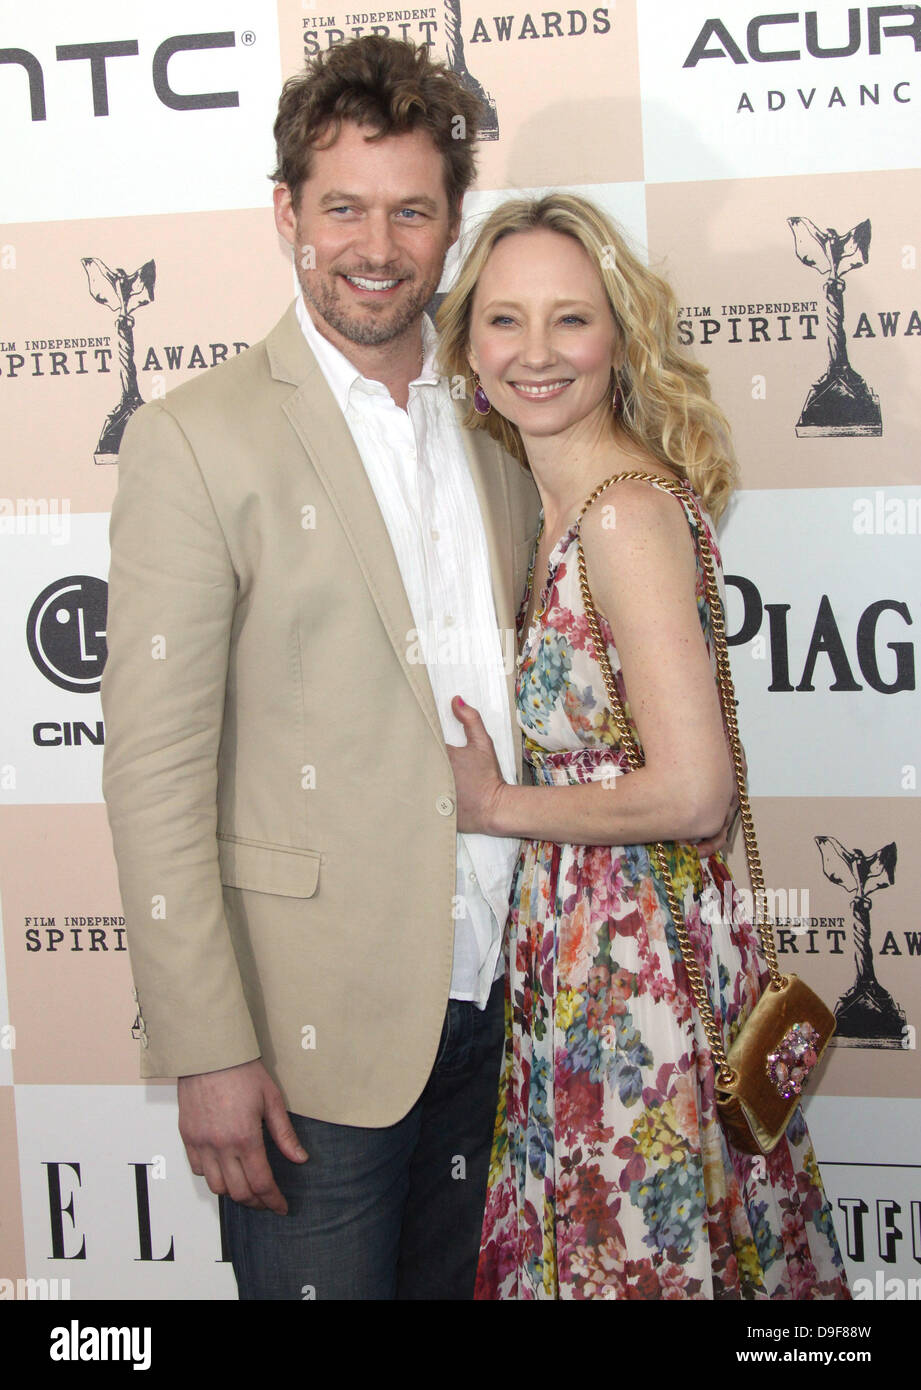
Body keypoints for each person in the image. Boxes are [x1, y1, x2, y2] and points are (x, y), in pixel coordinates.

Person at [100, 37, 540, 1301]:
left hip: (502, 1016)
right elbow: (156, 770)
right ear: (286, 214)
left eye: (412, 210)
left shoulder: (505, 423)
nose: (376, 246)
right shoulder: (199, 438)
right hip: (307, 1057)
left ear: (453, 225)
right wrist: (208, 1048)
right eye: (342, 207)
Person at [438, 193, 850, 1299]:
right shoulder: (560, 504)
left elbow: (694, 790)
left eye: (569, 320)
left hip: (636, 977)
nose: (534, 353)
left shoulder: (621, 513)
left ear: (618, 336)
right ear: (468, 343)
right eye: (503, 319)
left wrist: (495, 807)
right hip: (594, 954)